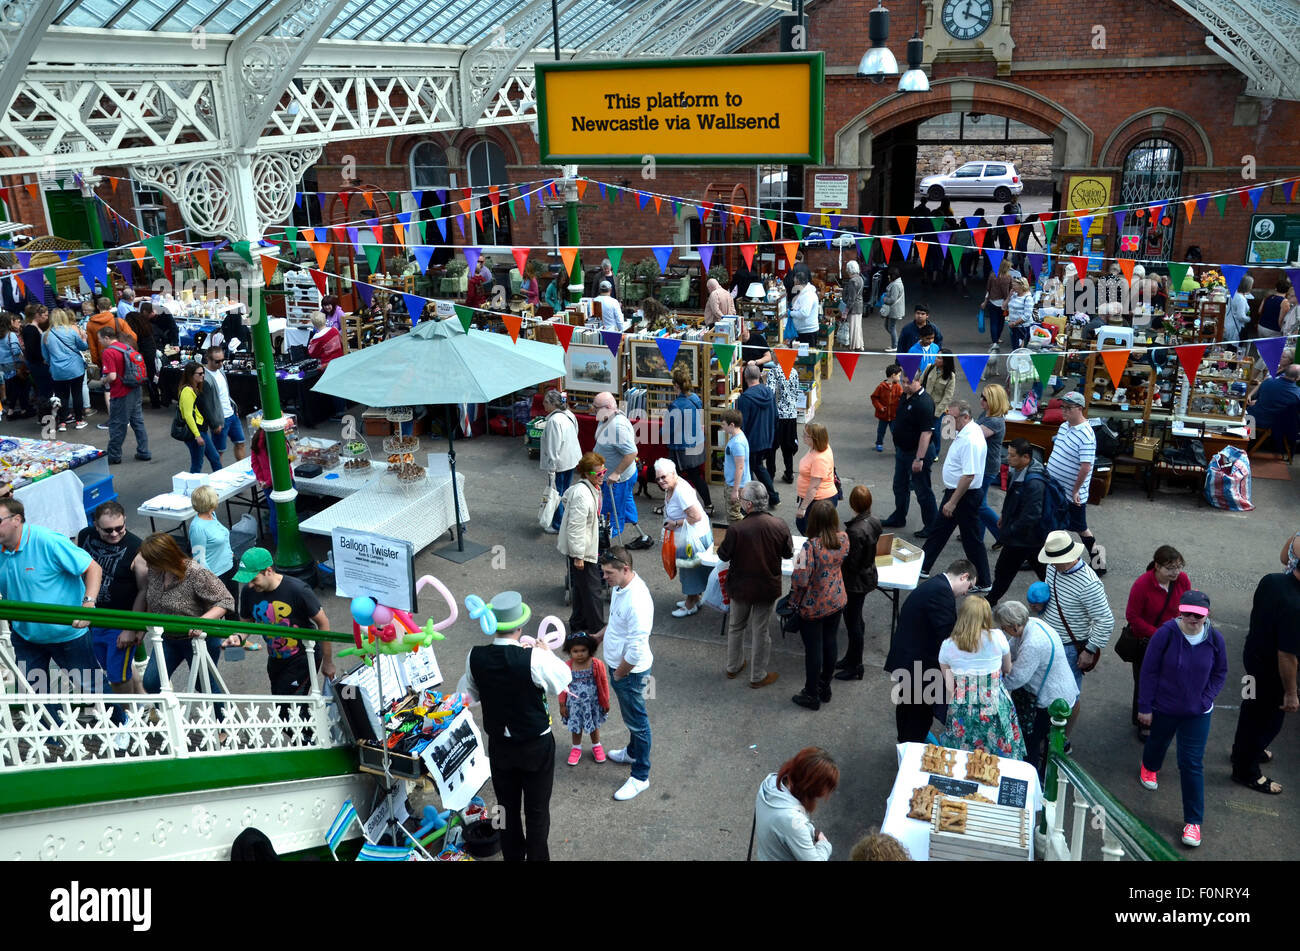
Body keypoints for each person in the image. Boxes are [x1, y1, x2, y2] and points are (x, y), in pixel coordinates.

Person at [456, 595, 572, 861]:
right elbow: (562, 681)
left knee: (505, 810)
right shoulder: (534, 659)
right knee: (537, 811)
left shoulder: (475, 656)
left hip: (500, 744)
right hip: (535, 745)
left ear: (494, 625)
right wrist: (546, 653)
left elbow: (467, 697)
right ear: (519, 627)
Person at [1137, 589, 1227, 848]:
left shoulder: (1215, 639)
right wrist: (1145, 706)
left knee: (1191, 763)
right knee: (1157, 742)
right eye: (1188, 614)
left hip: (1198, 713)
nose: (1193, 619)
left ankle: (1193, 822)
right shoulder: (1165, 634)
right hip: (1165, 707)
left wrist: (1205, 699)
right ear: (1180, 611)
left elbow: (1221, 672)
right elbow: (1149, 670)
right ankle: (1150, 766)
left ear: (1206, 615)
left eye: (1198, 615)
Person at [0, 497, 103, 693]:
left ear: (16, 520)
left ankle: (120, 723)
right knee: (32, 693)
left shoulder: (48, 541)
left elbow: (92, 568)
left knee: (91, 689)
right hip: (26, 635)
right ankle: (53, 725)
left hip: (66, 633)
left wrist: (88, 605)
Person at [1229, 531, 1299, 795]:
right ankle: (1246, 771)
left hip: (1252, 660)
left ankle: (1242, 752)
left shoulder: (1271, 581)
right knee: (1268, 722)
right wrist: (1291, 694)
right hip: (1271, 676)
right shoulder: (1296, 607)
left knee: (1250, 711)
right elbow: (1287, 656)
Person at [133, 533, 234, 694]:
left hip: (198, 639)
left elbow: (226, 601)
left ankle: (223, 718)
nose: (148, 564)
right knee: (152, 683)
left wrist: (201, 622)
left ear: (165, 558)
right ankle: (170, 716)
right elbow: (152, 600)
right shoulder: (154, 571)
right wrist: (141, 631)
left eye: (152, 560)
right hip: (168, 638)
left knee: (204, 684)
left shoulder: (195, 573)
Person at [885, 559, 974, 742]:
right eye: (969, 586)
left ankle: (905, 742)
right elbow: (948, 636)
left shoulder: (935, 585)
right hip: (920, 667)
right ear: (964, 576)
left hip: (910, 659)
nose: (966, 592)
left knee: (907, 707)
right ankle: (911, 747)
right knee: (919, 716)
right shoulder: (942, 593)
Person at [76, 501, 148, 724]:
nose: (115, 533)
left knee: (117, 677)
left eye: (120, 528)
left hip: (120, 620)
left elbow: (144, 591)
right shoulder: (85, 535)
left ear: (125, 521)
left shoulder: (138, 548)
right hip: (93, 618)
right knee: (111, 667)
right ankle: (144, 704)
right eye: (108, 530)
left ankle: (127, 716)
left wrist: (133, 626)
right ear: (95, 525)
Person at [592, 546, 654, 802]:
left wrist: (618, 675)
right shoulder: (620, 588)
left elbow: (636, 650)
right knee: (631, 717)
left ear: (625, 569)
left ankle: (641, 776)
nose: (604, 577)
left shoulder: (638, 601)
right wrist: (598, 636)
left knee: (638, 723)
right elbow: (616, 621)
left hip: (629, 674)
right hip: (619, 669)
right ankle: (631, 751)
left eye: (608, 573)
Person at [1039, 530, 1114, 738]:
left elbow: (1106, 621)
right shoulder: (1052, 568)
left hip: (1070, 648)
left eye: (1057, 561)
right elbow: (1051, 596)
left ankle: (1063, 740)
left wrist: (1089, 650)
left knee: (1069, 697)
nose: (1052, 564)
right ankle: (1046, 733)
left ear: (1070, 557)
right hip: (1049, 641)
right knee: (1046, 690)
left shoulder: (1089, 584)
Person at [229, 547, 335, 692]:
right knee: (280, 703)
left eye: (254, 579)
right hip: (275, 657)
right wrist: (238, 637)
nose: (250, 585)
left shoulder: (298, 590)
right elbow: (246, 624)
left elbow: (323, 622)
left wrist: (328, 662)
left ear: (268, 571)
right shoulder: (249, 591)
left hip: (303, 657)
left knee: (290, 705)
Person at [718, 480, 790, 689]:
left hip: (740, 587)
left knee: (736, 626)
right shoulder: (779, 525)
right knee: (761, 631)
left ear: (748, 505)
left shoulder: (737, 529)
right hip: (766, 587)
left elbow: (723, 554)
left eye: (741, 499)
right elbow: (787, 553)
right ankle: (757, 675)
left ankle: (734, 666)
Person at [997, 600, 1079, 775]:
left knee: (1032, 740)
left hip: (1051, 699)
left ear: (1014, 626)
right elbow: (1011, 647)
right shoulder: (1033, 623)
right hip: (1059, 691)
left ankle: (1034, 776)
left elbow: (1017, 678)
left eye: (1004, 628)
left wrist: (993, 683)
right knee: (1044, 738)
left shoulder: (1033, 643)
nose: (1004, 631)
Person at [937, 596, 1025, 758]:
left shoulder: (947, 645)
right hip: (995, 703)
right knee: (999, 754)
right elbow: (1007, 668)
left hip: (964, 704)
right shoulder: (998, 637)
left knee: (963, 755)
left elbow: (950, 687)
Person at [920, 400, 992, 590]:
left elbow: (969, 476)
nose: (948, 421)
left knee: (972, 540)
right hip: (958, 493)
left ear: (966, 417)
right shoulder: (966, 430)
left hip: (963, 496)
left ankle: (984, 581)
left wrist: (952, 502)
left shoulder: (970, 440)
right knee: (940, 530)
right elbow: (948, 435)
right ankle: (923, 566)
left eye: (952, 417)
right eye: (947, 416)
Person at [1124, 546, 1190, 740]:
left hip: (1175, 640)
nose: (1176, 572)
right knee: (1145, 681)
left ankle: (1162, 715)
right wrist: (1159, 635)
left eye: (1178, 566)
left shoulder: (1182, 580)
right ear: (1157, 566)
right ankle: (1143, 721)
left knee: (1169, 680)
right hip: (1147, 642)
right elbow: (1133, 617)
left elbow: (1185, 606)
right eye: (1170, 568)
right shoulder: (1142, 585)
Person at [789, 500, 848, 711]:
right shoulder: (844, 539)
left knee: (813, 650)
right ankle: (825, 687)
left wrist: (793, 602)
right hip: (837, 599)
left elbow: (799, 580)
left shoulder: (809, 547)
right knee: (830, 643)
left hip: (813, 606)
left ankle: (811, 694)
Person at [987, 438, 1049, 605]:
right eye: (1009, 454)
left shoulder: (1034, 483)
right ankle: (1059, 599)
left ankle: (990, 600)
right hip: (1029, 536)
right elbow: (1013, 499)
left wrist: (1010, 530)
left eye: (1013, 456)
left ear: (1026, 457)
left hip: (1024, 537)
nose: (1008, 459)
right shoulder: (1019, 470)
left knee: (1004, 570)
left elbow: (1032, 515)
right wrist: (1003, 516)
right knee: (1042, 568)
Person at [752, 747, 838, 861]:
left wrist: (809, 830)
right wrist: (824, 845)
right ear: (811, 787)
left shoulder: (770, 784)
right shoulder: (792, 821)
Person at [592, 391, 652, 550]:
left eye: (595, 407)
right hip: (616, 477)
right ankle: (643, 537)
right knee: (625, 504)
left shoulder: (617, 427)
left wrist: (616, 473)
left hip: (617, 479)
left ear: (608, 407)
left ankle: (604, 548)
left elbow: (632, 453)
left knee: (611, 513)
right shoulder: (608, 416)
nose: (592, 409)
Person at [880, 370, 939, 533]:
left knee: (922, 491)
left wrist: (919, 459)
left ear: (918, 381)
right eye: (902, 382)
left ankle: (931, 526)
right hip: (902, 451)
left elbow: (926, 433)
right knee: (899, 486)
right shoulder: (905, 396)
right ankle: (899, 517)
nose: (904, 385)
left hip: (917, 453)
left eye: (908, 382)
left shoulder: (924, 402)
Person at [654, 457, 713, 619]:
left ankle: (690, 604)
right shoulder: (673, 486)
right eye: (658, 478)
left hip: (692, 538)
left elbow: (696, 516)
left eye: (664, 477)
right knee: (690, 569)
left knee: (690, 570)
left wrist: (675, 523)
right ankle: (695, 598)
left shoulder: (681, 491)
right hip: (689, 536)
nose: (660, 481)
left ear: (673, 474)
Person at [1046, 392, 1101, 562]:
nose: (1064, 411)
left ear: (1079, 409)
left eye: (1068, 408)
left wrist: (1076, 490)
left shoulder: (1086, 435)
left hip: (1071, 493)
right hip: (1055, 487)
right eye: (1063, 407)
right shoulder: (1064, 426)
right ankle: (1046, 556)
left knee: (1081, 528)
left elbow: (1086, 467)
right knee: (1049, 522)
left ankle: (1099, 561)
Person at [836, 485, 882, 682]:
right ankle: (851, 659)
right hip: (867, 575)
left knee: (853, 623)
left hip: (855, 582)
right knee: (856, 620)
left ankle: (855, 665)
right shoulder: (874, 522)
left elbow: (852, 563)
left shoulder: (855, 530)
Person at [558, 451, 606, 635]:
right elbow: (576, 528)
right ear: (586, 474)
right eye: (597, 473)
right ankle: (597, 629)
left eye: (603, 471)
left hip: (584, 548)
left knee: (581, 588)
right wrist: (578, 556)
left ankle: (579, 623)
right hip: (583, 551)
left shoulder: (589, 488)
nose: (602, 476)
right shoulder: (582, 495)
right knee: (592, 590)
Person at [96, 326, 150, 465]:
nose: (100, 342)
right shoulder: (126, 347)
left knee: (117, 425)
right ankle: (144, 451)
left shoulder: (108, 352)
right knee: (138, 422)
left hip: (121, 392)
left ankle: (114, 455)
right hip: (135, 387)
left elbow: (112, 376)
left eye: (100, 339)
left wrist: (103, 381)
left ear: (107, 338)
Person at [557, 633, 609, 766]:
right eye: (575, 651)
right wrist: (562, 704)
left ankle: (596, 745)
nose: (579, 654)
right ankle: (576, 748)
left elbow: (603, 683)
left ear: (590, 650)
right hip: (574, 705)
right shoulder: (567, 666)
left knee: (594, 726)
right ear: (569, 651)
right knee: (576, 727)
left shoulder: (596, 664)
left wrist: (605, 701)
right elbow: (562, 686)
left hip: (591, 703)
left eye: (583, 650)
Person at [664, 367, 711, 511]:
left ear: (676, 385)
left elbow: (669, 429)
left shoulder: (676, 405)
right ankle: (708, 504)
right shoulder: (695, 399)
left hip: (682, 447)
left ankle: (672, 505)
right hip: (697, 442)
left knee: (672, 476)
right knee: (695, 476)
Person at [539, 388, 580, 534]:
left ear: (552, 404)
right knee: (563, 493)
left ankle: (558, 524)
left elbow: (553, 447)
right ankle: (562, 521)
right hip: (571, 460)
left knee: (556, 494)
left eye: (545, 402)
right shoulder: (568, 415)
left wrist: (551, 468)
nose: (543, 404)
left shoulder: (554, 421)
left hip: (560, 463)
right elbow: (576, 432)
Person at [736, 363, 778, 505]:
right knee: (758, 466)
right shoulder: (769, 393)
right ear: (760, 376)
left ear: (745, 377)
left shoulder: (745, 399)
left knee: (756, 468)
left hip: (752, 441)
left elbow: (742, 423)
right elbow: (776, 416)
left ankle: (771, 497)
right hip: (767, 437)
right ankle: (768, 497)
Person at [41, 308, 88, 431]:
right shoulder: (71, 332)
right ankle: (79, 420)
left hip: (57, 370)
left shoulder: (45, 335)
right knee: (77, 394)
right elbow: (83, 347)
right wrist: (84, 338)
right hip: (75, 368)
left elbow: (45, 357)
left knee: (62, 396)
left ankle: (62, 422)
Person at [189, 485, 235, 604]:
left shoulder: (212, 515)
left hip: (229, 566)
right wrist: (212, 580)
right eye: (215, 495)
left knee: (234, 607)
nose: (217, 497)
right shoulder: (197, 528)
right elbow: (199, 558)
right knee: (224, 608)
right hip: (217, 575)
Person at [974, 383, 1008, 546]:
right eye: (982, 396)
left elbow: (973, 435)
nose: (981, 400)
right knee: (980, 502)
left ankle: (1002, 535)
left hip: (986, 467)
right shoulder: (987, 413)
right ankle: (978, 535)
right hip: (983, 465)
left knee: (979, 505)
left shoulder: (994, 421)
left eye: (985, 398)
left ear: (993, 400)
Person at [175, 362, 221, 473]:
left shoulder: (194, 388)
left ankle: (220, 483)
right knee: (197, 464)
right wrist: (197, 435)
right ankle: (193, 489)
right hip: (195, 432)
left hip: (201, 430)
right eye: (199, 374)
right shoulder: (187, 391)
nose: (203, 376)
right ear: (191, 375)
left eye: (203, 373)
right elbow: (188, 416)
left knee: (214, 458)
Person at [203, 346, 246, 463]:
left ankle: (242, 470)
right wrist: (214, 423)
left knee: (240, 443)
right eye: (217, 361)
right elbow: (205, 404)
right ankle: (218, 476)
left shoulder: (221, 371)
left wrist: (233, 408)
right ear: (208, 359)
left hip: (231, 415)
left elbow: (225, 393)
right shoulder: (205, 377)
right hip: (219, 419)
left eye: (223, 360)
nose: (221, 363)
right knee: (219, 451)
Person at [794, 422, 836, 536]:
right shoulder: (818, 447)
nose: (803, 436)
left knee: (807, 528)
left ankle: (814, 550)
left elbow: (814, 488)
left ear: (814, 439)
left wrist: (803, 508)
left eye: (806, 435)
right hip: (814, 499)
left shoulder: (819, 459)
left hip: (818, 500)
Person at [1248, 364, 1300, 453]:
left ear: (1285, 372)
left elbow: (1256, 398)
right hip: (1274, 424)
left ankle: (1249, 442)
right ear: (1298, 377)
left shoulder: (1268, 381)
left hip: (1252, 417)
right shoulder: (1297, 393)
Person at [917, 350, 956, 461]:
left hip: (937, 407)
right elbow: (920, 382)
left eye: (939, 358)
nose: (936, 359)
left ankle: (935, 452)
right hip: (923, 404)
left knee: (934, 431)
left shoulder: (951, 376)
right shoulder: (929, 367)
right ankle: (921, 449)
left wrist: (937, 412)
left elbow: (948, 397)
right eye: (937, 356)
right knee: (921, 428)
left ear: (946, 361)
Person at [766, 361, 800, 483]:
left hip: (777, 415)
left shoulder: (773, 372)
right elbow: (796, 391)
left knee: (772, 446)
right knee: (788, 446)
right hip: (791, 414)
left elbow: (770, 393)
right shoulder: (794, 371)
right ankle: (789, 473)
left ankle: (770, 474)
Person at [125, 309, 161, 410]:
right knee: (152, 377)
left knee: (146, 377)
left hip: (144, 354)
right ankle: (155, 400)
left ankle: (152, 400)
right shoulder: (147, 328)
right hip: (151, 353)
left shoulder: (135, 331)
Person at [85, 297, 135, 368]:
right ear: (111, 307)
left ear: (98, 307)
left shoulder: (90, 324)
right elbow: (133, 337)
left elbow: (92, 346)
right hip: (121, 357)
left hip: (103, 359)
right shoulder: (119, 321)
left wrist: (97, 362)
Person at [720, 408, 750, 523]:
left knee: (734, 516)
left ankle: (739, 537)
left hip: (736, 485)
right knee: (735, 514)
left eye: (724, 424)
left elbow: (740, 467)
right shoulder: (737, 437)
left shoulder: (737, 443)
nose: (722, 427)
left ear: (731, 424)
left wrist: (735, 491)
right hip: (733, 483)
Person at [20, 302, 52, 401]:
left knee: (45, 389)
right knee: (44, 389)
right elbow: (31, 350)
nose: (47, 317)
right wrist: (43, 359)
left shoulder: (34, 327)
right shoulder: (31, 329)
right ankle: (45, 413)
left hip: (38, 363)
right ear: (38, 315)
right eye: (45, 315)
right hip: (38, 364)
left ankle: (47, 411)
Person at [871, 362, 903, 453]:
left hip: (894, 415)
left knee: (895, 432)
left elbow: (902, 397)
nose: (899, 378)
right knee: (881, 431)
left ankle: (897, 446)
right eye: (899, 375)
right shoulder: (881, 387)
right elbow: (874, 398)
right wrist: (879, 407)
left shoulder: (898, 387)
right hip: (883, 415)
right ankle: (879, 443)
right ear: (893, 375)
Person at [983, 257, 1013, 351]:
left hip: (992, 302)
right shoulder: (1008, 277)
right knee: (1001, 322)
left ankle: (994, 341)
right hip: (1004, 304)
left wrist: (985, 301)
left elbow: (988, 289)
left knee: (993, 322)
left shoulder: (992, 276)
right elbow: (1011, 290)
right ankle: (998, 338)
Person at [787, 275, 820, 344]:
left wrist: (790, 313)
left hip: (807, 332)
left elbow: (804, 313)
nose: (794, 284)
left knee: (806, 354)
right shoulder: (804, 293)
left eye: (794, 282)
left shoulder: (808, 295)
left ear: (798, 282)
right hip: (804, 330)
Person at [878, 267, 904, 352]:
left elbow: (892, 299)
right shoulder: (896, 283)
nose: (888, 277)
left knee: (891, 327)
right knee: (888, 326)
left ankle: (895, 345)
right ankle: (895, 342)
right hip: (893, 310)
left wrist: (884, 299)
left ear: (893, 276)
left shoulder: (895, 285)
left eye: (889, 275)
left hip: (894, 310)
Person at [1006, 275, 1035, 350]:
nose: (1012, 287)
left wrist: (1015, 323)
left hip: (1022, 328)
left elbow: (1027, 316)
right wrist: (1009, 296)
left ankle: (1019, 361)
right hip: (1013, 327)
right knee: (1014, 347)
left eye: (1014, 285)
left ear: (1021, 286)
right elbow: (1003, 307)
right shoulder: (1014, 295)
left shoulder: (1028, 298)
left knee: (1020, 349)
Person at [842, 259, 865, 351]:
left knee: (853, 328)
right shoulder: (860, 278)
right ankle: (859, 344)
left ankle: (853, 346)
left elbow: (851, 298)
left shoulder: (852, 281)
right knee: (858, 327)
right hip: (859, 305)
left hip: (854, 308)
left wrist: (845, 311)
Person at [1224, 274, 1253, 342]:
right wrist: (1249, 319)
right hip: (1236, 328)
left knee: (1230, 349)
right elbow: (1241, 316)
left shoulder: (1234, 294)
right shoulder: (1241, 299)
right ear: (1247, 286)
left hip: (1229, 324)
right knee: (1234, 350)